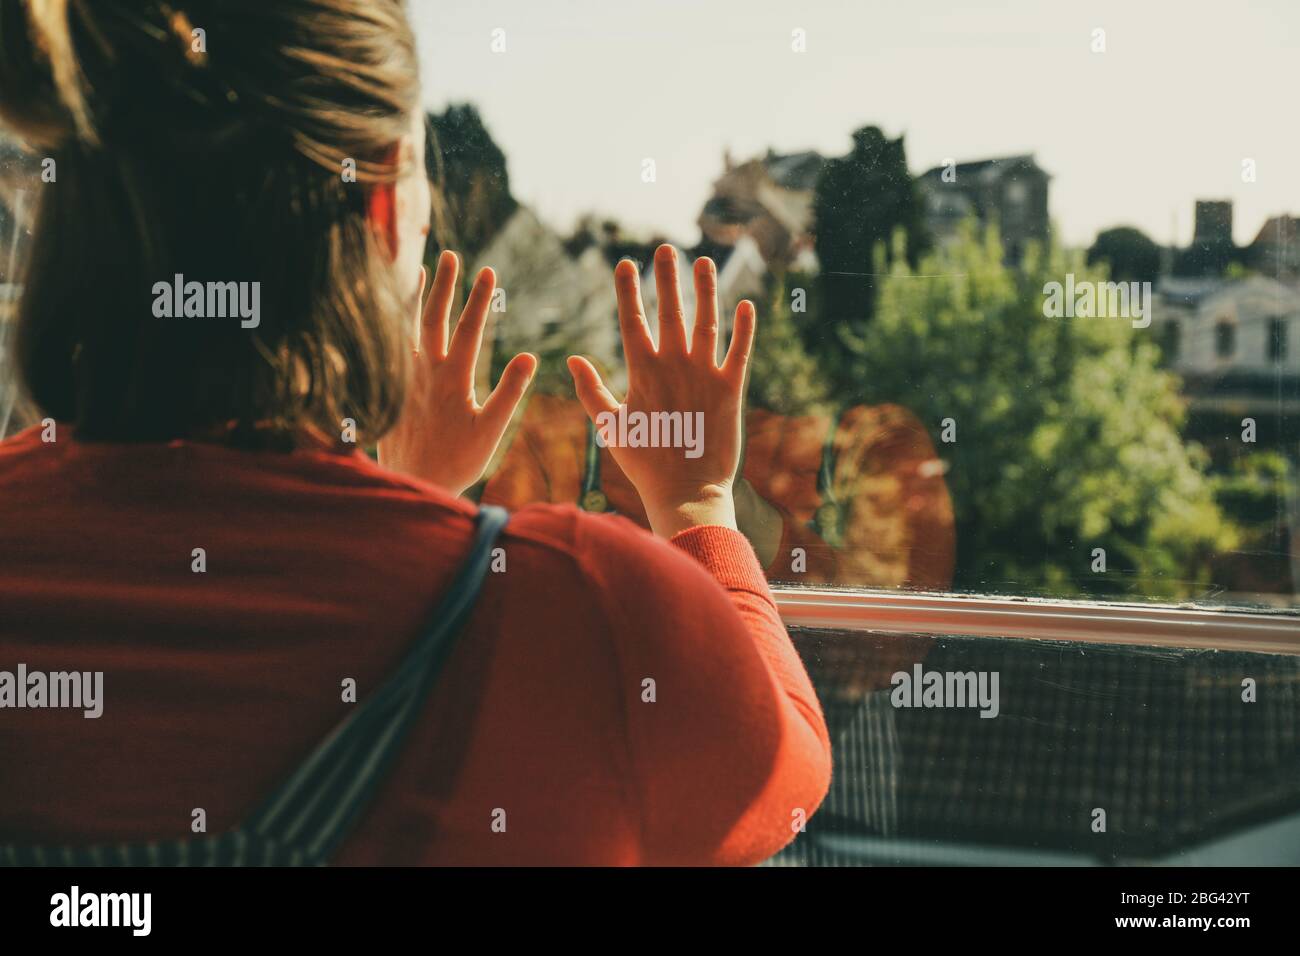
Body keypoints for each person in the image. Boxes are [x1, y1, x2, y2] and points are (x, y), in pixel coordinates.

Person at [0, 0, 830, 865]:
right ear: (389, 198)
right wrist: (696, 501)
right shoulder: (576, 611)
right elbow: (786, 772)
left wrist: (409, 501)